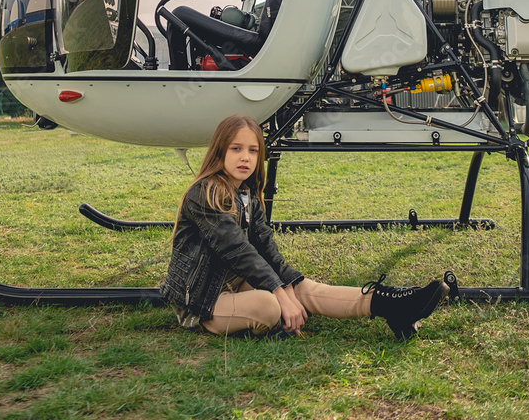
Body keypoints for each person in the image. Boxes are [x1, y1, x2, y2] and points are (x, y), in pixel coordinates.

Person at [160, 114, 449, 339]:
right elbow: (237, 251)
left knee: (302, 289)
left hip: (236, 282)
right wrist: (280, 296)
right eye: (236, 149)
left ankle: (391, 305)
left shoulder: (248, 196)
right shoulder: (205, 194)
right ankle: (274, 319)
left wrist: (288, 287)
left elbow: (268, 254)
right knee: (270, 306)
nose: (245, 157)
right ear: (219, 151)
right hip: (201, 300)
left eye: (252, 150)